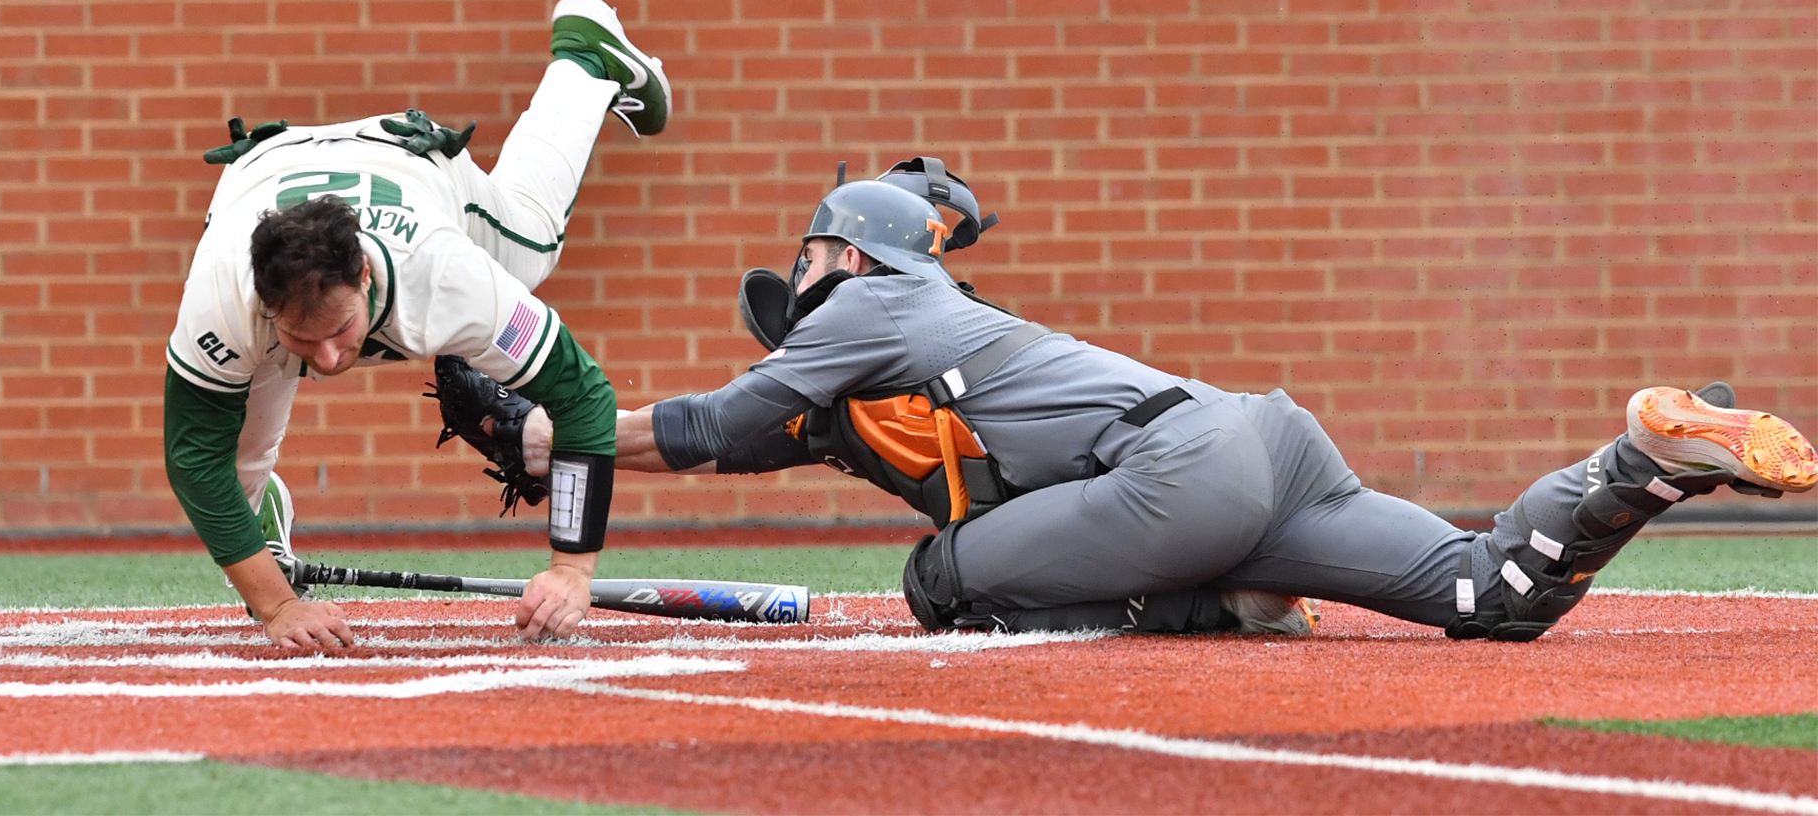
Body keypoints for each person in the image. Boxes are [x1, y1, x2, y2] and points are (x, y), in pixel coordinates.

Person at [600, 160, 1816, 638]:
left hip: (1175, 481)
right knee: (1493, 593)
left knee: (940, 580)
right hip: (1262, 443)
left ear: (854, 257)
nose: (800, 282)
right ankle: (1643, 461)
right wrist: (567, 445)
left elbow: (716, 427)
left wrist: (566, 433)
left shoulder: (878, 302)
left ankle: (1221, 604)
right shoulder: (927, 335)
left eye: (811, 256)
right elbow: (759, 438)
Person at [163, 0, 670, 652]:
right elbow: (195, 460)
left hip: (405, 161)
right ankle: (267, 527)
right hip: (264, 167)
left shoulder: (449, 276)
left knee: (535, 243)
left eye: (339, 331)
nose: (327, 362)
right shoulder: (223, 290)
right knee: (232, 469)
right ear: (263, 301)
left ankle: (587, 59)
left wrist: (571, 569)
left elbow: (581, 396)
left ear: (366, 277)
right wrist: (277, 604)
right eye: (300, 339)